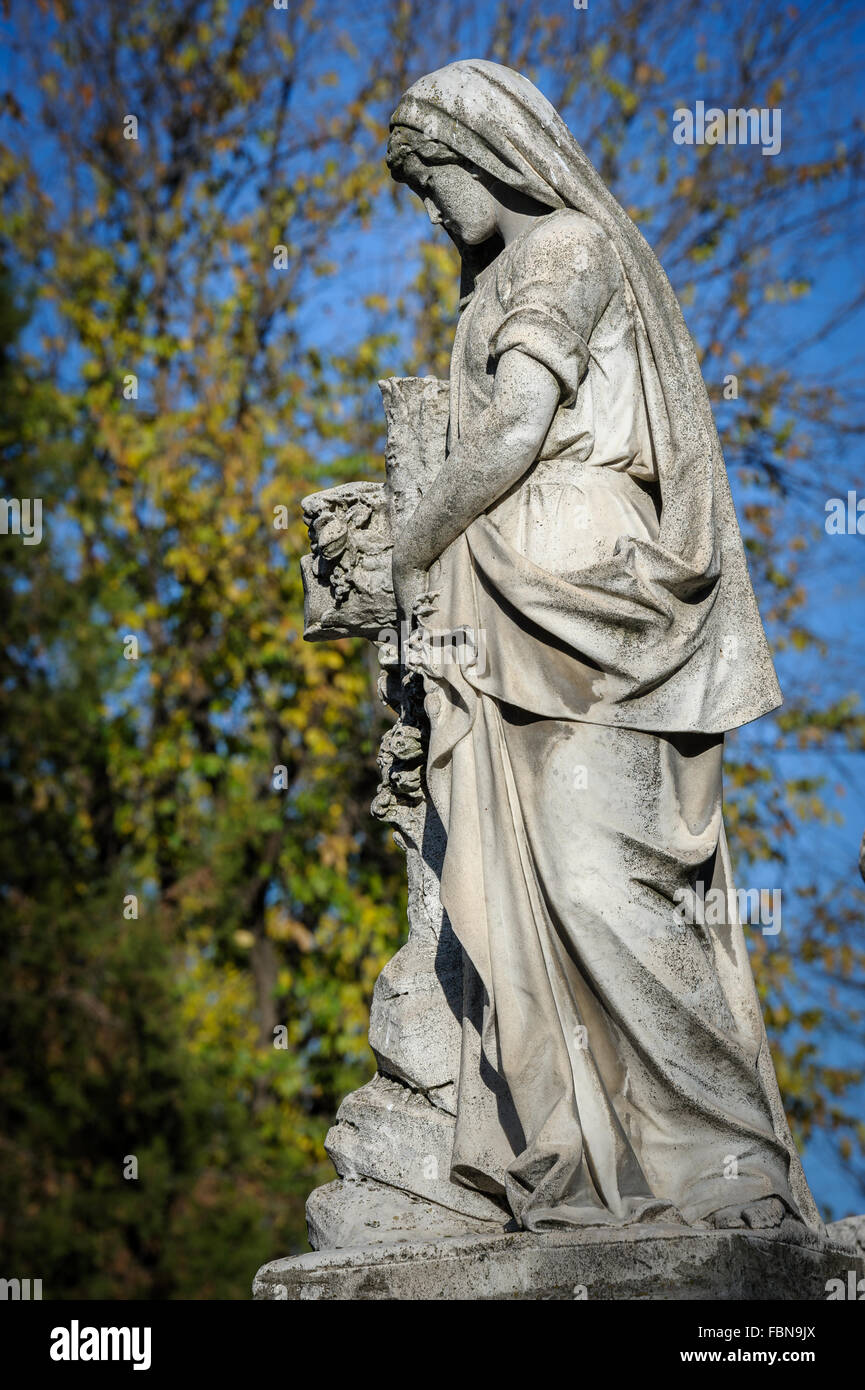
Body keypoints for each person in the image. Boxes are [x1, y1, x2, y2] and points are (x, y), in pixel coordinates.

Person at [385, 59, 818, 1232]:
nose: (427, 207)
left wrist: (405, 543)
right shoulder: (487, 288)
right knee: (514, 887)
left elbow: (521, 427)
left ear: (487, 151)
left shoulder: (566, 245)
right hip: (499, 595)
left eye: (430, 178)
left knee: (601, 876)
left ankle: (727, 1159)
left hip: (582, 584)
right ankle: (571, 1152)